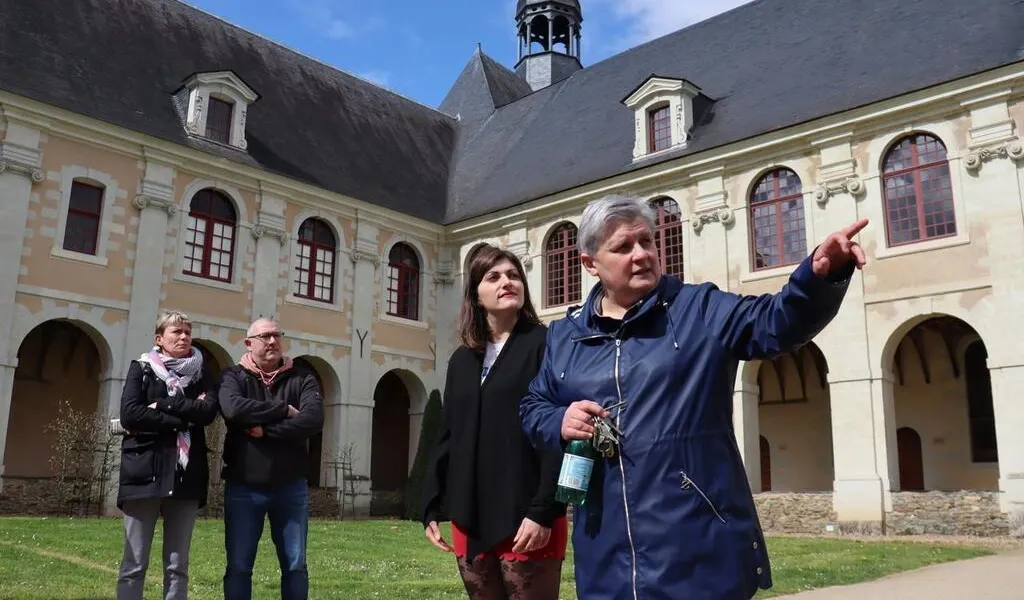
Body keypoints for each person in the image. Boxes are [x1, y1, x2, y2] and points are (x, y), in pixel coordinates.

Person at [519, 195, 869, 600]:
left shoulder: (700, 309)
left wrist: (818, 278)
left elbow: (775, 322)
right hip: (605, 559)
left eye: (647, 242)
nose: (641, 255)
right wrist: (559, 420)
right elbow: (533, 406)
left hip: (699, 553)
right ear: (590, 264)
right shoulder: (565, 336)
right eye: (623, 247)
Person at [421, 244, 568, 600]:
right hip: (469, 513)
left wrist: (543, 510)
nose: (507, 282)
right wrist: (430, 503)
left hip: (527, 511)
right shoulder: (461, 358)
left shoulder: (548, 344)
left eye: (514, 275)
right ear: (475, 293)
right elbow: (448, 433)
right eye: (494, 276)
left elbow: (560, 434)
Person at [217, 318, 325, 600]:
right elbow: (233, 409)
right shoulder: (233, 377)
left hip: (291, 487)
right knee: (239, 566)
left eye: (277, 335)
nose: (272, 341)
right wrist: (284, 410)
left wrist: (265, 430)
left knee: (295, 566)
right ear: (249, 343)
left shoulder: (302, 378)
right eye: (265, 336)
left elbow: (313, 421)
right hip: (244, 487)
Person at [116, 309, 220, 600]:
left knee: (178, 565)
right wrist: (185, 416)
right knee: (134, 563)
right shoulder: (142, 368)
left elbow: (208, 412)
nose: (185, 336)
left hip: (185, 476)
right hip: (144, 473)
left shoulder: (201, 373)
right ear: (159, 338)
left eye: (188, 331)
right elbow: (130, 414)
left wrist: (161, 404)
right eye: (177, 331)